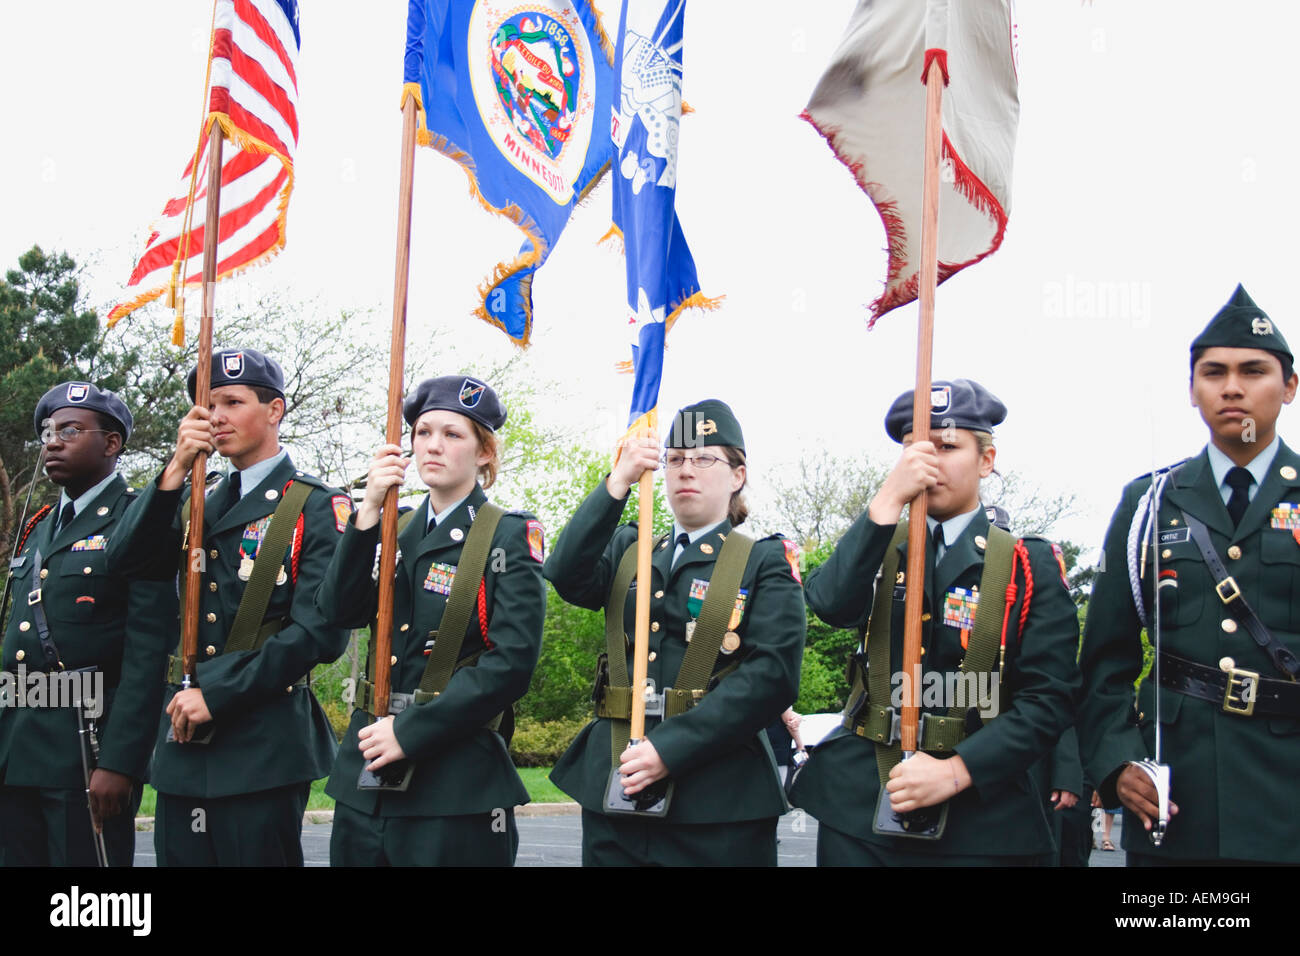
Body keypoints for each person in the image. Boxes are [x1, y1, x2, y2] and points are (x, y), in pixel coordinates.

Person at [790, 379, 1081, 865]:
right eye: (914, 448)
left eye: (948, 446)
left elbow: (1049, 699)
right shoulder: (879, 542)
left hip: (982, 812)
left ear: (987, 460)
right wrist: (885, 502)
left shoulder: (1026, 563)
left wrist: (957, 771)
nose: (928, 460)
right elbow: (830, 605)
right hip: (862, 802)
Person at [1078, 285, 1300, 865]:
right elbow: (1105, 659)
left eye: (1254, 371)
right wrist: (1117, 762)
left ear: (1291, 387)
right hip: (1175, 794)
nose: (1232, 387)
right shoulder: (1149, 503)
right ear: (1193, 390)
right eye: (1213, 372)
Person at [106, 348, 351, 866]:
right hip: (183, 741)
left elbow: (320, 634)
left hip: (261, 743)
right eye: (209, 404)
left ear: (274, 411)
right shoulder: (197, 495)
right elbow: (126, 561)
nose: (216, 417)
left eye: (233, 402)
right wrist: (174, 468)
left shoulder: (314, 505)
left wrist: (216, 692)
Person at [546, 399, 806, 866]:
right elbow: (565, 573)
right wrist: (618, 483)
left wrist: (671, 747)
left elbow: (772, 675)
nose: (687, 469)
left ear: (737, 475)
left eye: (705, 458)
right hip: (616, 782)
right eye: (675, 458)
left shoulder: (763, 560)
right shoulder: (632, 547)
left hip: (718, 800)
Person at [317, 375, 544, 866]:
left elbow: (512, 664)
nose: (432, 446)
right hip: (366, 778)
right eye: (422, 433)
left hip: (452, 785)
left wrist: (410, 730)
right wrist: (367, 514)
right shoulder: (392, 527)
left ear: (484, 453)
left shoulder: (506, 536)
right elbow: (336, 611)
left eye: (452, 434)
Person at [0, 383, 174, 866]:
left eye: (70, 431)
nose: (52, 442)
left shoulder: (139, 519)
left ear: (112, 444)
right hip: (17, 750)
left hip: (86, 752)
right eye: (47, 433)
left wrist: (120, 762)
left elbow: (146, 652)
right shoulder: (38, 526)